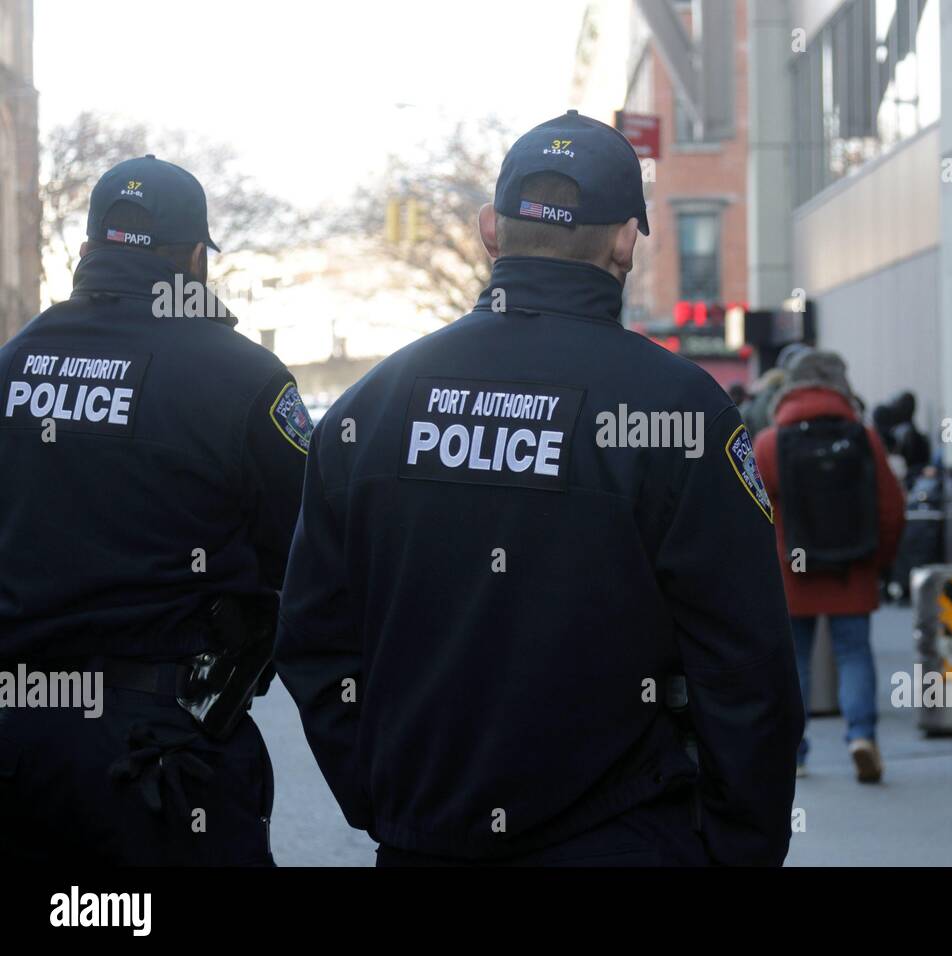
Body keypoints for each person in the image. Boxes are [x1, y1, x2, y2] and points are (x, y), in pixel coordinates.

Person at [273, 111, 803, 867]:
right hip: (620, 837)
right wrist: (739, 847)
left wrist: (383, 793)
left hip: (427, 837)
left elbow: (312, 634)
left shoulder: (373, 405)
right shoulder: (680, 411)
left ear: (492, 229)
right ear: (625, 239)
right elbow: (745, 663)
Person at [0, 156, 309, 864]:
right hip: (161, 761)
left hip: (20, 745)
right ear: (197, 258)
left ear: (86, 251)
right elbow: (313, 557)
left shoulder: (13, 364)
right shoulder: (243, 378)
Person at [754, 350, 905, 782]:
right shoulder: (863, 437)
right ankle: (861, 736)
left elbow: (748, 514)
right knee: (855, 654)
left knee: (795, 661)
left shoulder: (769, 442)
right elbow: (891, 508)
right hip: (852, 570)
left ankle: (796, 752)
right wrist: (880, 560)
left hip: (792, 573)